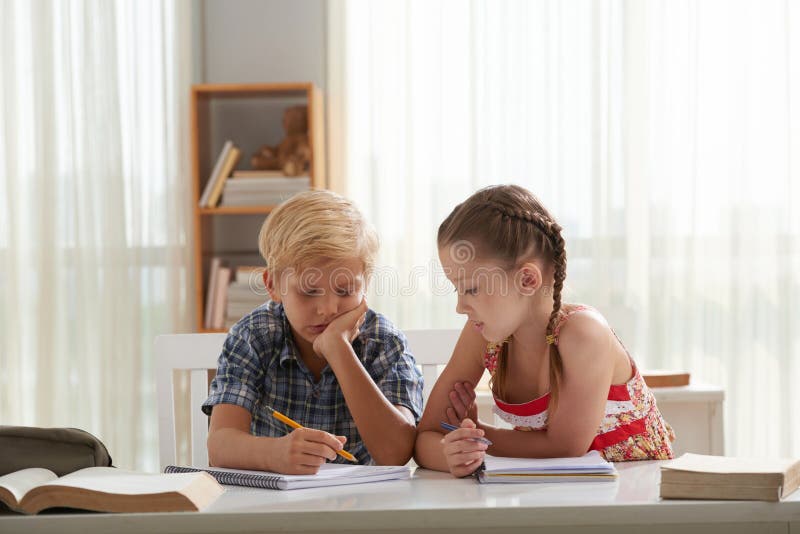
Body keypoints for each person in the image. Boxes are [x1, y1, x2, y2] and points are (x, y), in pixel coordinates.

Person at [414, 185, 674, 477]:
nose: (460, 306)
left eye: (471, 289)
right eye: (457, 290)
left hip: (636, 496)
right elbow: (425, 437)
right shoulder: (482, 336)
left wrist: (478, 438)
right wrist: (452, 454)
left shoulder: (583, 334)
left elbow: (565, 448)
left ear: (527, 279)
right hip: (552, 495)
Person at [203, 190, 423, 474]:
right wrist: (276, 454)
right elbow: (219, 446)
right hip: (273, 505)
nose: (328, 309)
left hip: (362, 505)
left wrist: (339, 350)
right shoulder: (252, 336)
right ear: (273, 286)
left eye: (345, 290)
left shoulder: (383, 341)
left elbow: (396, 453)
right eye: (309, 291)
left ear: (365, 284)